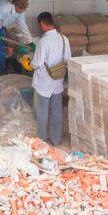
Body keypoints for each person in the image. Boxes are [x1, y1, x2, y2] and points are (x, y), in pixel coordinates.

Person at [31, 12, 71, 147]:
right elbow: (67, 59)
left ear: (42, 24)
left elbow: (36, 63)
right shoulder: (64, 39)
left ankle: (41, 142)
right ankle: (56, 140)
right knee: (56, 113)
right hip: (57, 82)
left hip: (43, 84)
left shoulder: (43, 42)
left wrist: (30, 62)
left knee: (41, 115)